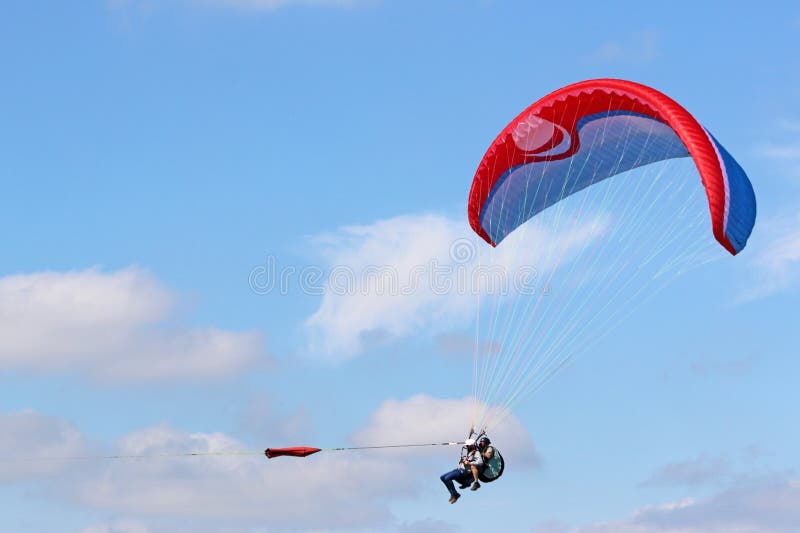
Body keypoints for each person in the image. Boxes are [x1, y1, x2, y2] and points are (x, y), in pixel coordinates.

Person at [439, 438, 483, 503]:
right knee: (442, 477)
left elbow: (480, 462)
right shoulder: (469, 453)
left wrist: (469, 463)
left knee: (447, 478)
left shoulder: (476, 452)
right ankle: (453, 494)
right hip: (459, 469)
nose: (466, 447)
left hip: (464, 472)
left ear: (472, 446)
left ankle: (455, 494)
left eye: (468, 446)